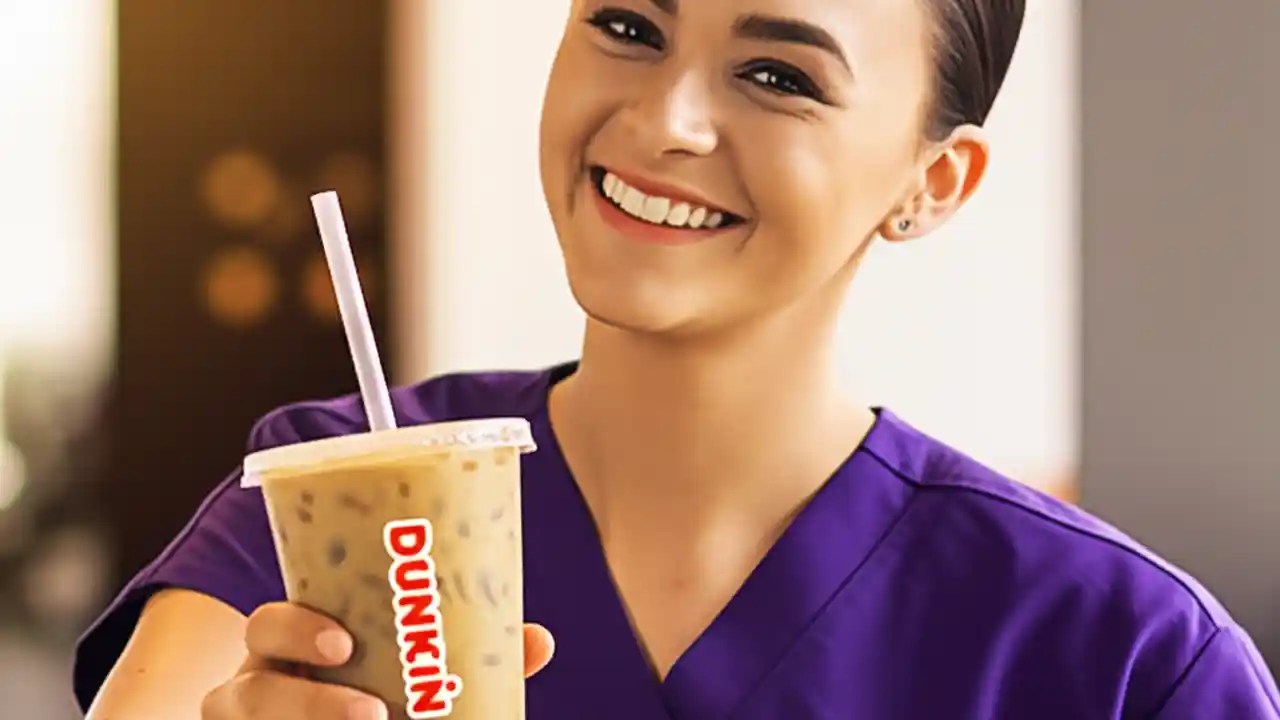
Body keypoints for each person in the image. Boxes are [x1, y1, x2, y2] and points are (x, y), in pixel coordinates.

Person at [75, 0, 1280, 718]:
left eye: (777, 75)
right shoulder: (330, 503)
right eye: (625, 26)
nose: (662, 123)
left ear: (931, 183)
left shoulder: (1122, 657)